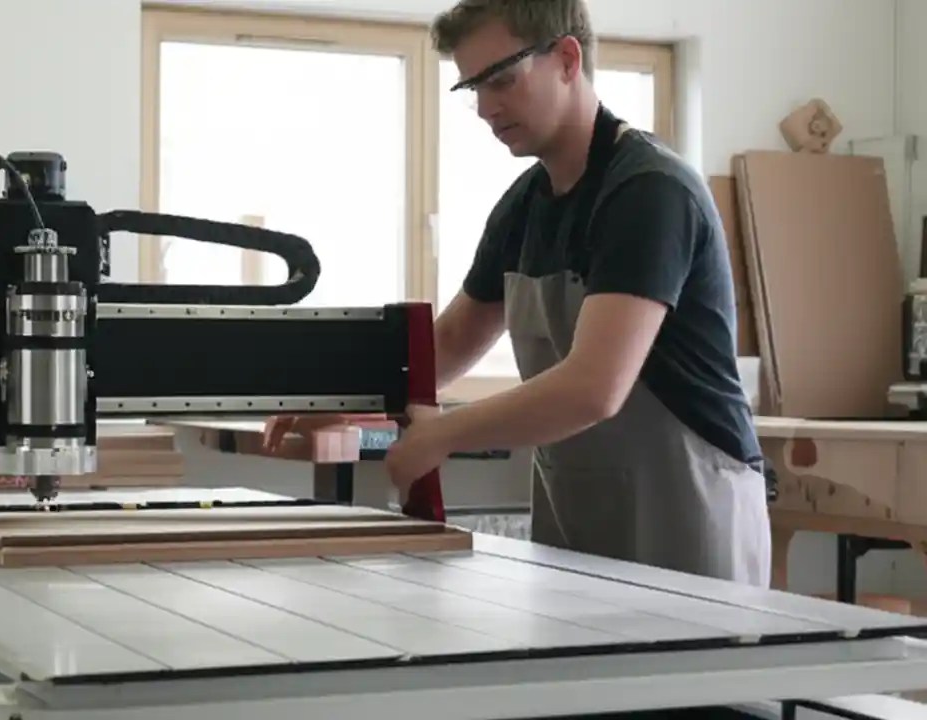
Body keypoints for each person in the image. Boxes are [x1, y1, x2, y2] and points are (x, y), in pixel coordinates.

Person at [268, 0, 770, 588]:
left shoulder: (648, 194)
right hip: (580, 517)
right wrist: (340, 394)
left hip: (688, 514)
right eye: (471, 87)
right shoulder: (524, 208)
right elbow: (451, 342)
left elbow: (594, 388)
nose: (484, 108)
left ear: (566, 58)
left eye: (501, 79)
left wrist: (443, 434)